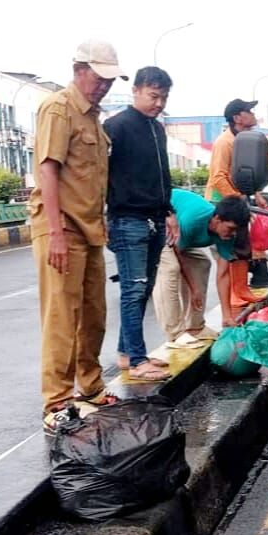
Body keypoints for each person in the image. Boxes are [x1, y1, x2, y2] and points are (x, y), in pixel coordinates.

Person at [32, 39, 127, 433]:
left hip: (89, 230)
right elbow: (48, 170)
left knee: (93, 314)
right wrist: (55, 232)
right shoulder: (58, 108)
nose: (103, 85)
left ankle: (90, 387)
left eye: (109, 80)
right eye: (98, 78)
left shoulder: (93, 118)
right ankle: (57, 401)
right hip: (62, 227)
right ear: (78, 70)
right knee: (61, 317)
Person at [103, 66, 178, 382]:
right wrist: (103, 216)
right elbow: (99, 174)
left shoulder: (157, 129)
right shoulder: (115, 126)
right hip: (127, 219)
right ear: (135, 91)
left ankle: (126, 352)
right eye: (153, 96)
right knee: (133, 289)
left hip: (155, 218)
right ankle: (137, 360)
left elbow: (162, 175)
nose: (159, 103)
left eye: (164, 98)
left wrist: (169, 211)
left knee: (144, 288)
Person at [152, 192, 251, 359]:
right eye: (231, 228)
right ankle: (175, 334)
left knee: (201, 262)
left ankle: (195, 327)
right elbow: (178, 254)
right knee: (171, 268)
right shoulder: (193, 221)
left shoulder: (227, 235)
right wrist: (193, 288)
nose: (233, 234)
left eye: (236, 230)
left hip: (181, 241)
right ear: (217, 219)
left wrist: (227, 316)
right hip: (160, 227)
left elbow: (223, 274)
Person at [205, 98, 261, 326]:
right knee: (228, 253)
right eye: (249, 111)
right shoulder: (225, 142)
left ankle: (241, 289)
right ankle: (234, 295)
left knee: (243, 248)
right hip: (223, 203)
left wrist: (255, 194)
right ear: (237, 117)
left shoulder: (245, 141)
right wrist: (238, 200)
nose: (253, 114)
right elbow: (218, 177)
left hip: (238, 200)